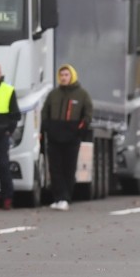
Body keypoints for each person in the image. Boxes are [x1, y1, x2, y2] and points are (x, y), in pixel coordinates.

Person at [40, 64, 93, 211]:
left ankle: (65, 197)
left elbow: (88, 114)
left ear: (72, 76)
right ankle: (57, 198)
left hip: (71, 137)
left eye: (66, 75)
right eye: (61, 75)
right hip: (55, 136)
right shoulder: (53, 94)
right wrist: (47, 128)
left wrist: (79, 130)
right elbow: (45, 112)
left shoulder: (82, 94)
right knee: (55, 168)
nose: (63, 78)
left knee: (68, 168)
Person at [0, 62, 14, 210]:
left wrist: (9, 130)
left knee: (3, 165)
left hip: (2, 134)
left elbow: (15, 114)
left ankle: (7, 198)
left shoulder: (8, 90)